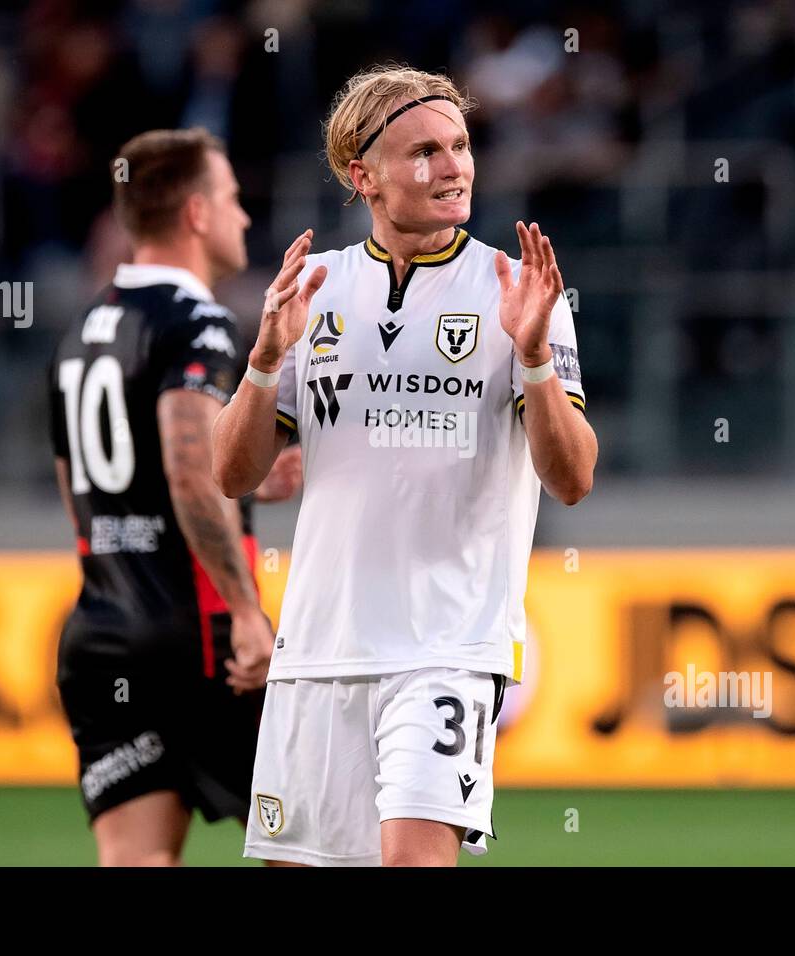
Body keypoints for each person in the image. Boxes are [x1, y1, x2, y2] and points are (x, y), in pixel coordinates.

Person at [212, 66, 598, 866]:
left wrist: (530, 358)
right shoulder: (318, 290)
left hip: (444, 649)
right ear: (364, 175)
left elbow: (573, 478)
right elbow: (231, 473)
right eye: (424, 150)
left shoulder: (519, 291)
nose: (453, 165)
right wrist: (262, 360)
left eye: (459, 146)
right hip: (316, 651)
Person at [47, 128, 300, 865]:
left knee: (139, 861)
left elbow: (83, 491)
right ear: (195, 213)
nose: (243, 216)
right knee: (313, 842)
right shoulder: (198, 324)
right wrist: (246, 611)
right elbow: (190, 470)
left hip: (103, 631)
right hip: (201, 636)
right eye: (230, 198)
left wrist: (251, 482)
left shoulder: (82, 333)